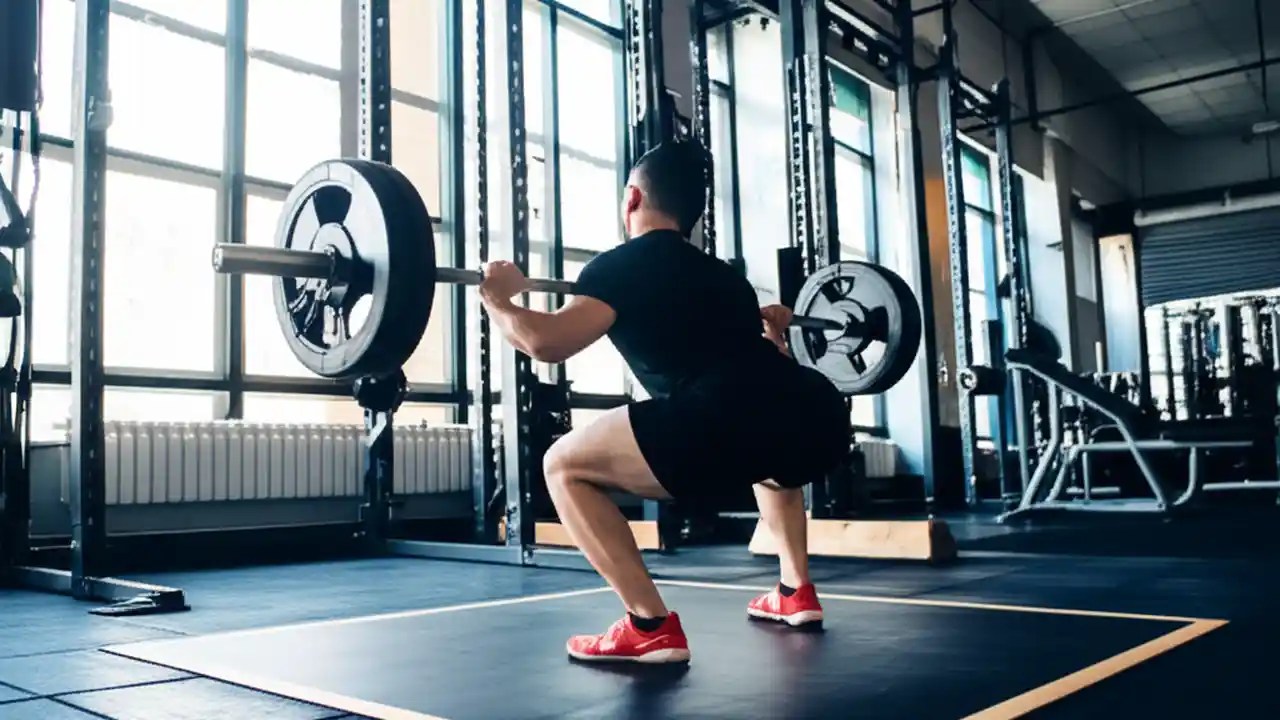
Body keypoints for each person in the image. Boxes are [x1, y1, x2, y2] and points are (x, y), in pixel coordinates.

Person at [478, 141, 849, 665]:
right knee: (768, 444)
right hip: (819, 420)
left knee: (560, 465)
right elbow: (759, 366)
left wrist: (497, 297)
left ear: (632, 198)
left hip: (713, 428)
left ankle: (647, 624)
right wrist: (777, 334)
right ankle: (795, 592)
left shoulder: (617, 268)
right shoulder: (730, 281)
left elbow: (547, 343)